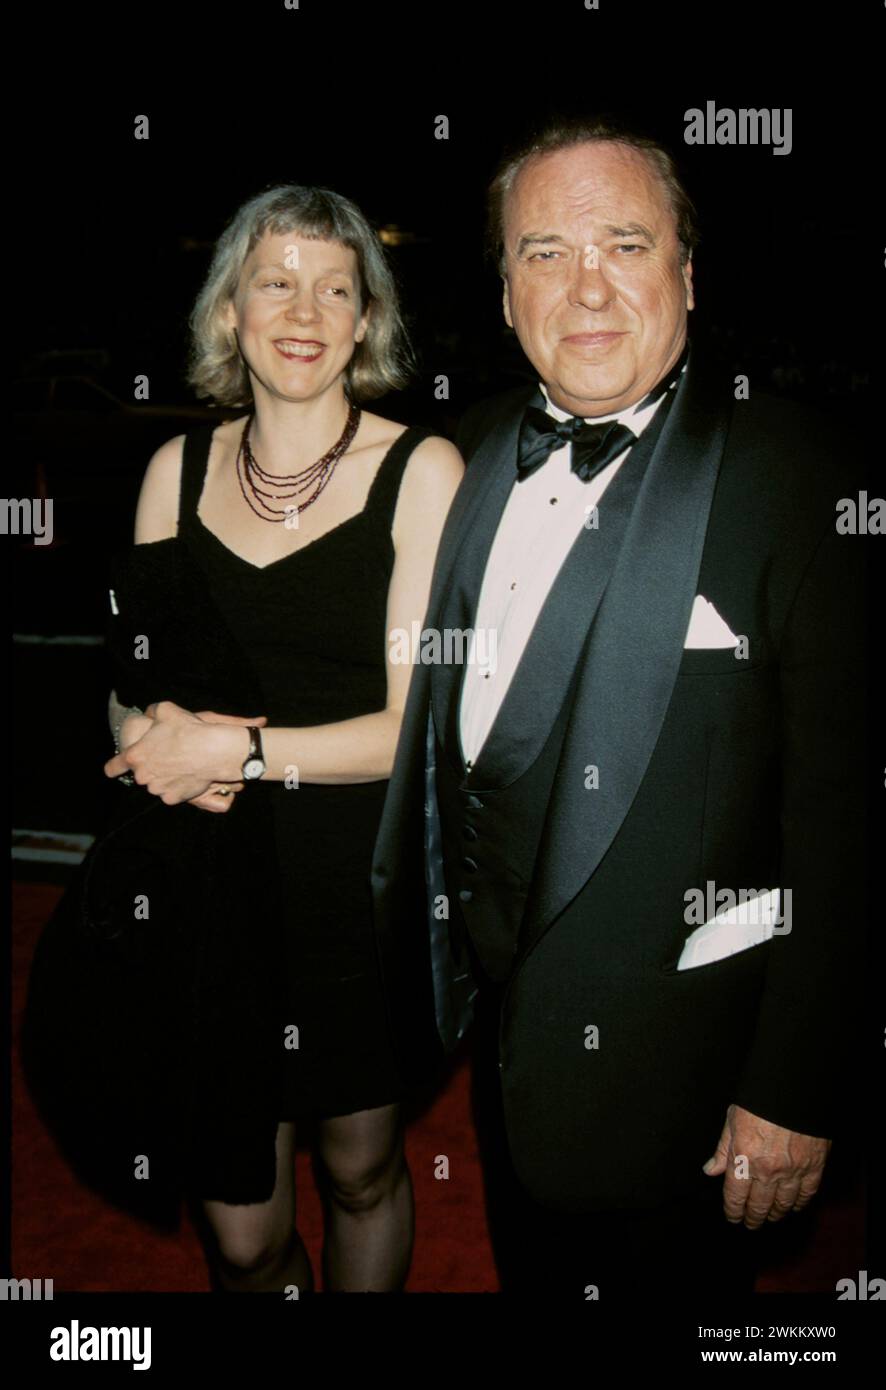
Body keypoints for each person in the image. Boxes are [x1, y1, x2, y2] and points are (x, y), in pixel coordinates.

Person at [369, 118, 866, 1297]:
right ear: (502, 293)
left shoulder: (802, 481)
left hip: (691, 1083)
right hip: (501, 1054)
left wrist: (793, 1089)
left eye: (624, 244)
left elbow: (845, 821)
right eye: (542, 252)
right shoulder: (465, 455)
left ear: (687, 275)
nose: (583, 285)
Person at [90, 183, 463, 1292]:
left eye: (333, 288)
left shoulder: (421, 471)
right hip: (211, 895)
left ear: (365, 321)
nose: (304, 309)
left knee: (359, 1175)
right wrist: (149, 735)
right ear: (229, 314)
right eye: (275, 281)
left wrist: (241, 755)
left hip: (354, 890)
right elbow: (128, 694)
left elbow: (415, 730)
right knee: (244, 1238)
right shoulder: (176, 472)